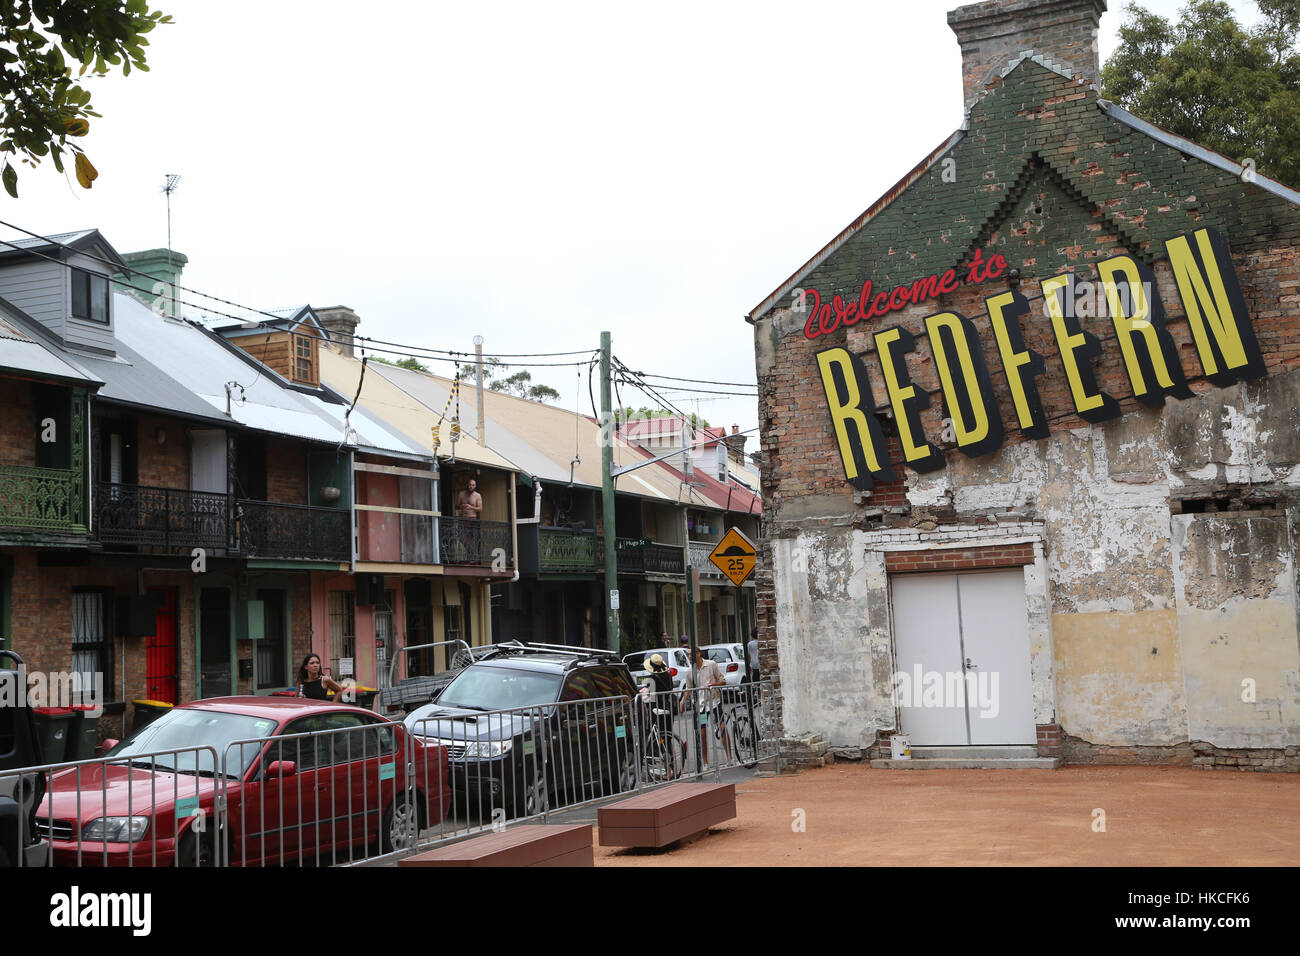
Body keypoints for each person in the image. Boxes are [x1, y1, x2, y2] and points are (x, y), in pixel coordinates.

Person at [680, 644, 730, 765]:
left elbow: (723, 681)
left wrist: (713, 685)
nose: (690, 657)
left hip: (714, 701)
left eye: (691, 654)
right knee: (702, 734)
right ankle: (705, 762)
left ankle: (730, 758)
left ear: (698, 653)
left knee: (722, 727)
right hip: (700, 705)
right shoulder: (689, 671)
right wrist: (682, 701)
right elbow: (689, 688)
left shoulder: (711, 664)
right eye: (688, 655)